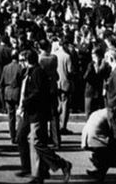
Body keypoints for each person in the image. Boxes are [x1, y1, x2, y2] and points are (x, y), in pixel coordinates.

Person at [16, 48, 71, 184]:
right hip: (28, 112)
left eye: (22, 60)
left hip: (37, 112)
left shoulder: (37, 72)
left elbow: (38, 93)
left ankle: (60, 164)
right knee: (24, 138)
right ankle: (39, 171)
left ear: (28, 60)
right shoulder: (27, 72)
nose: (20, 63)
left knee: (37, 142)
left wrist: (26, 101)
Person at [81, 106, 116, 180]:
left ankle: (97, 162)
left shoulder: (99, 112)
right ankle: (100, 172)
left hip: (85, 140)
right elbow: (115, 134)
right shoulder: (110, 115)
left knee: (106, 147)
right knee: (115, 148)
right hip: (95, 140)